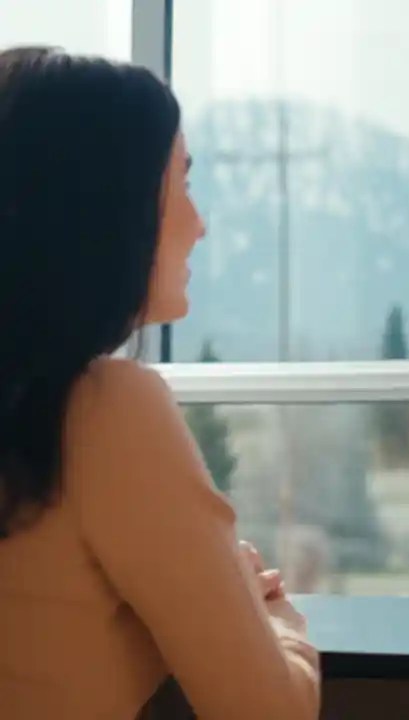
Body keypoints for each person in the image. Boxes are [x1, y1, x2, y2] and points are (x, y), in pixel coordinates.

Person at [0, 47, 320, 718]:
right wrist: (274, 615)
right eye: (180, 183)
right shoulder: (104, 409)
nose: (199, 224)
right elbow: (266, 711)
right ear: (103, 212)